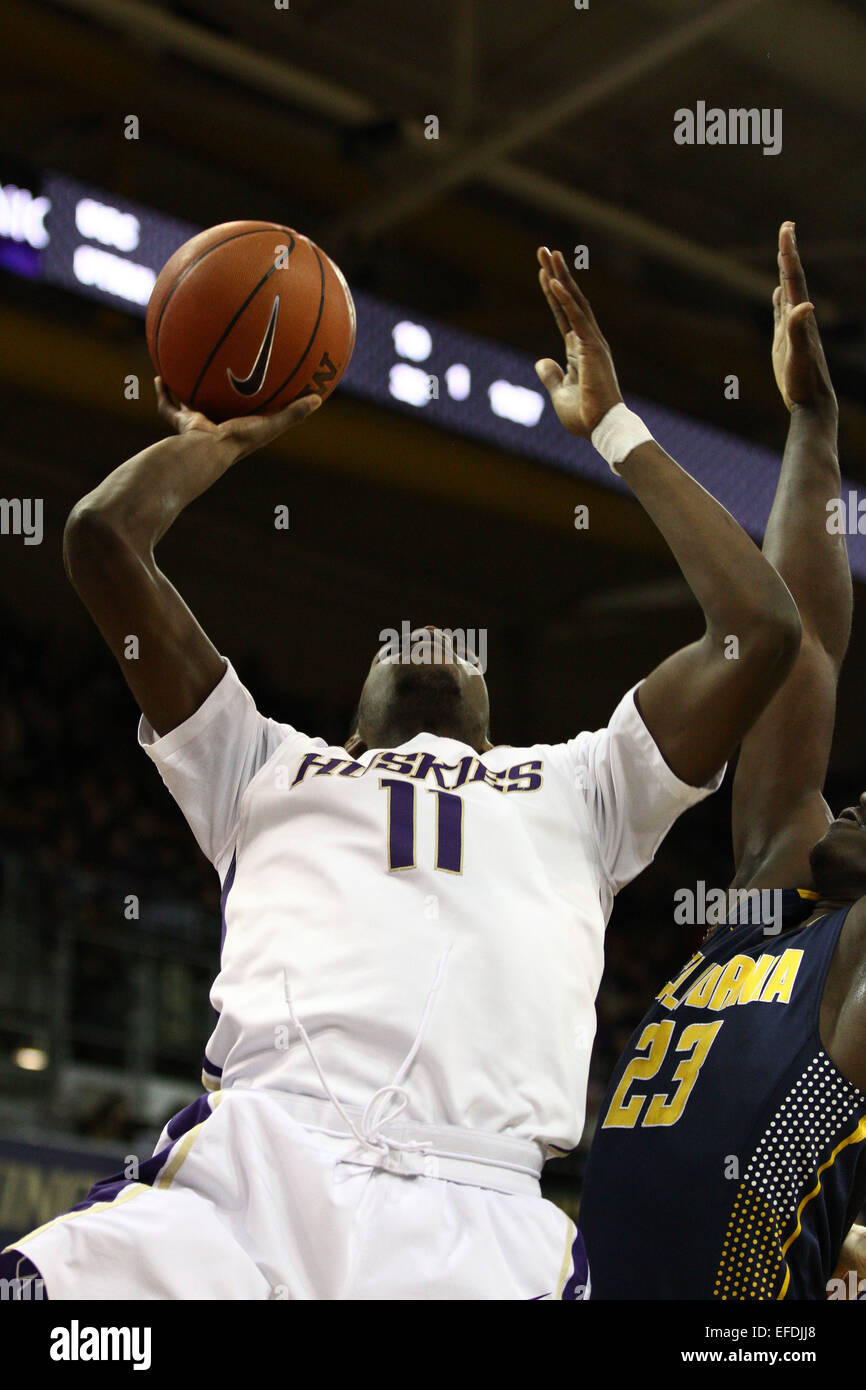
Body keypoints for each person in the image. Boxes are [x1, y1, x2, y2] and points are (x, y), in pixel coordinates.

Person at [1, 249, 801, 1300]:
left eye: (456, 646)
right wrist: (223, 436)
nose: (426, 644)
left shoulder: (588, 788)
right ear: (356, 702)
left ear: (492, 714)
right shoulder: (256, 760)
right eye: (395, 642)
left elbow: (759, 627)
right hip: (256, 1180)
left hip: (483, 1224)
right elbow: (104, 539)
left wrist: (616, 429)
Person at [579, 223, 866, 1301]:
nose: (856, 796)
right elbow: (808, 646)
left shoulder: (852, 974)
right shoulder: (767, 896)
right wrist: (811, 425)